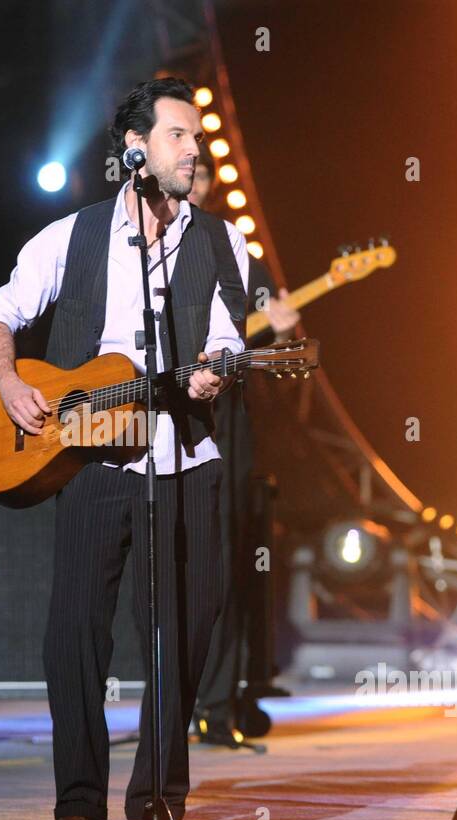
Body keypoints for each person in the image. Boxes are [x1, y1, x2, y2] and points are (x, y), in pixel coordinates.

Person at [0, 77, 247, 820]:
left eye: (198, 136)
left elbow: (228, 337)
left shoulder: (225, 240)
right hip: (91, 458)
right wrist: (11, 378)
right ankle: (77, 804)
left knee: (184, 630)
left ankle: (157, 804)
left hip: (186, 460)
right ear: (137, 149)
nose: (196, 148)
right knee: (76, 635)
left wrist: (213, 368)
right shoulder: (73, 234)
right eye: (179, 135)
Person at [186, 148, 301, 740]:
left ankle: (219, 703)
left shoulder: (235, 251)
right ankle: (175, 703)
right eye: (189, 168)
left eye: (203, 172)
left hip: (224, 421)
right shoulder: (137, 245)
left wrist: (284, 324)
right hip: (158, 419)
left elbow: (278, 331)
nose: (195, 179)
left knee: (225, 558)